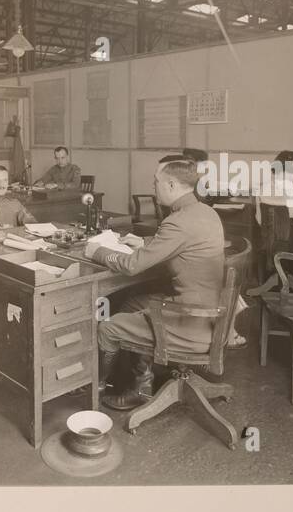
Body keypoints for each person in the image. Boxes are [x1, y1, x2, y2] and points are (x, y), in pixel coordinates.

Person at [88, 156, 226, 410]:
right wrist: (147, 243)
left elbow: (131, 266)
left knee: (106, 327)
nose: (154, 186)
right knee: (131, 302)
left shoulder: (177, 221)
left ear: (172, 185)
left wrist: (95, 251)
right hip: (212, 316)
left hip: (190, 322)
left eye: (157, 182)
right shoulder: (206, 212)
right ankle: (142, 382)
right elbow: (183, 241)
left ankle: (97, 390)